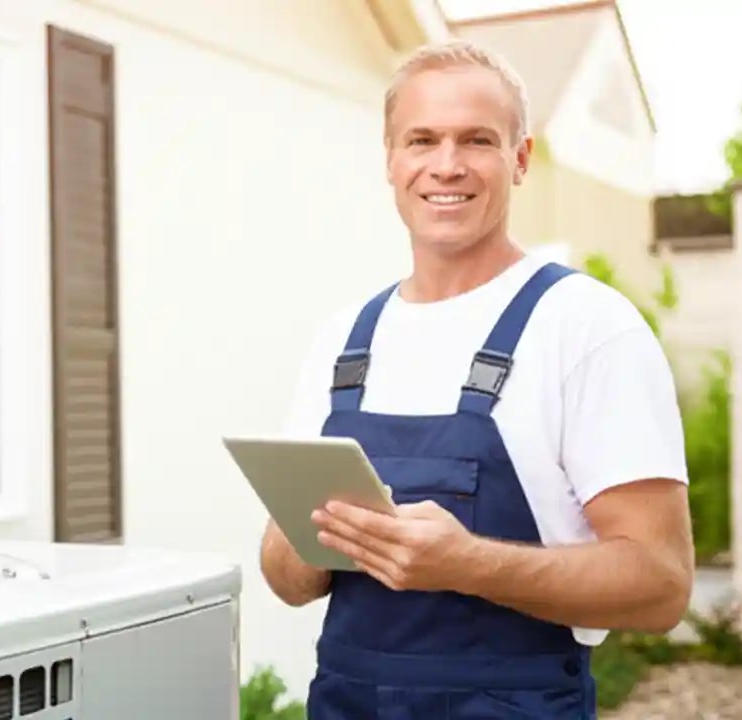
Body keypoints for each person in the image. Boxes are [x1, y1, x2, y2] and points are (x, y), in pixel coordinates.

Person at [258, 39, 694, 719]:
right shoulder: (343, 341)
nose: (446, 165)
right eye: (422, 139)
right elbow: (286, 580)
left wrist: (465, 564)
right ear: (391, 159)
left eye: (477, 140)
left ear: (519, 159)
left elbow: (661, 585)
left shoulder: (587, 326)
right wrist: (325, 539)